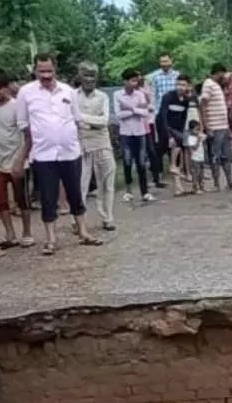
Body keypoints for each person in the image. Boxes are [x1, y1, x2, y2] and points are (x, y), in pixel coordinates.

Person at [15, 54, 101, 254]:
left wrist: (79, 144)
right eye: (41, 71)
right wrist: (30, 148)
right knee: (48, 196)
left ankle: (83, 231)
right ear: (35, 70)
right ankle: (51, 238)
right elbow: (23, 124)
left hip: (70, 152)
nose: (46, 75)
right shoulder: (26, 93)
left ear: (55, 69)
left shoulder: (68, 91)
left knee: (75, 193)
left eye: (49, 71)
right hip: (43, 155)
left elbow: (77, 120)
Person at [0, 68, 35, 247]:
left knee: (22, 199)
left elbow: (29, 136)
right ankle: (10, 233)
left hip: (18, 159)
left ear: (7, 87)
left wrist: (21, 160)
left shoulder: (17, 106)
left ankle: (27, 232)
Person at [74, 62, 117, 231]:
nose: (89, 79)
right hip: (81, 145)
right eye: (86, 75)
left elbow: (104, 121)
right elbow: (71, 119)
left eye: (93, 76)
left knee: (107, 182)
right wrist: (92, 121)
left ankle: (108, 217)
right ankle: (78, 221)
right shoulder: (73, 96)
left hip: (102, 143)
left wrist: (81, 117)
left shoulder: (102, 97)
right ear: (80, 76)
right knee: (80, 185)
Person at [114, 68, 155, 203]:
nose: (135, 84)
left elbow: (145, 112)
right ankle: (128, 191)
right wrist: (136, 110)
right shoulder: (117, 95)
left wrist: (130, 108)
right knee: (127, 161)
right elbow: (119, 114)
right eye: (132, 81)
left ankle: (145, 192)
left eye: (136, 81)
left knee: (141, 162)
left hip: (140, 131)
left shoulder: (140, 94)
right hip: (126, 133)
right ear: (125, 81)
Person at [200, 63, 232, 191]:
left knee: (226, 155)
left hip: (223, 126)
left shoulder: (217, 86)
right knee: (215, 156)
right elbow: (203, 105)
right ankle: (216, 183)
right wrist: (206, 126)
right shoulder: (208, 84)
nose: (223, 77)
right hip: (214, 126)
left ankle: (229, 182)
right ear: (218, 73)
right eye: (222, 74)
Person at [158, 74, 193, 195]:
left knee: (178, 150)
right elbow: (163, 116)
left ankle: (178, 187)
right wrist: (169, 136)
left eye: (183, 85)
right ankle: (169, 169)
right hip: (165, 129)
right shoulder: (168, 97)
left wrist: (180, 133)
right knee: (176, 145)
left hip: (177, 130)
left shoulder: (186, 100)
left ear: (188, 86)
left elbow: (183, 118)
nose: (180, 87)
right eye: (178, 84)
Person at [147, 54, 178, 188]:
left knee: (177, 142)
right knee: (160, 144)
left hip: (175, 114)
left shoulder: (177, 75)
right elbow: (152, 95)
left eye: (166, 61)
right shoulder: (154, 76)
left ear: (171, 61)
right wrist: (153, 113)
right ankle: (157, 174)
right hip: (160, 114)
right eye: (161, 62)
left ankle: (176, 171)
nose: (164, 64)